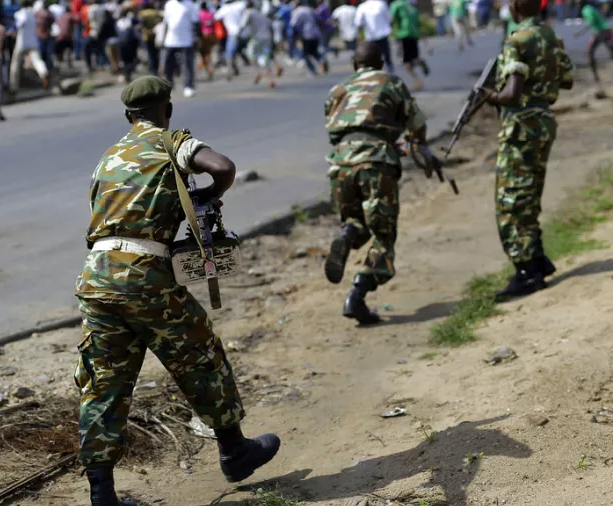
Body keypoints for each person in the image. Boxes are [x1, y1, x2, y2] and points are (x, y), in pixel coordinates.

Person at [75, 76, 281, 506]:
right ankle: (235, 451)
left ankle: (102, 494)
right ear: (167, 109)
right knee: (201, 355)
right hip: (143, 276)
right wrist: (207, 194)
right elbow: (223, 167)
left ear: (128, 116)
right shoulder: (172, 142)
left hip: (96, 277)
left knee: (103, 383)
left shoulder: (108, 156)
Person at [323, 42, 437, 324]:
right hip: (376, 163)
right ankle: (357, 295)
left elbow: (334, 131)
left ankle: (348, 232)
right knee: (383, 236)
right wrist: (416, 144)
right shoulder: (392, 83)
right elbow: (416, 124)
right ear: (382, 63)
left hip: (340, 163)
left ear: (354, 64)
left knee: (356, 221)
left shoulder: (339, 89)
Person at [479, 0, 573, 299]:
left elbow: (512, 93)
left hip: (520, 128)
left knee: (511, 201)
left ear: (514, 8)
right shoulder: (550, 36)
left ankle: (527, 272)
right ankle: (537, 259)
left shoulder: (516, 41)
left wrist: (490, 96)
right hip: (543, 122)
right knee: (529, 195)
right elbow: (567, 79)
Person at [11, 0, 51, 95]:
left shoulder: (19, 14)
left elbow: (19, 24)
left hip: (22, 43)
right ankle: (44, 73)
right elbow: (37, 23)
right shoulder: (33, 14)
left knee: (15, 64)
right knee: (37, 61)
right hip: (33, 42)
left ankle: (13, 86)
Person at [162, 0, 200, 97]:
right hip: (170, 40)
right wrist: (163, 38)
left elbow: (196, 23)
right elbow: (166, 23)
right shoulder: (169, 4)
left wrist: (197, 38)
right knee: (168, 63)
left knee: (187, 64)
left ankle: (188, 86)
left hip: (186, 40)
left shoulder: (190, 5)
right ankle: (169, 84)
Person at [390, 0, 430, 90]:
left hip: (403, 35)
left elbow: (391, 19)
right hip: (414, 34)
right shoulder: (412, 7)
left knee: (405, 63)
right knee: (413, 59)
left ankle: (417, 80)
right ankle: (420, 62)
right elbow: (418, 24)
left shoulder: (396, 5)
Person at [243, 0, 282, 86]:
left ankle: (259, 72)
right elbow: (270, 25)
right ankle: (270, 79)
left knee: (251, 56)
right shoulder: (262, 14)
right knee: (265, 59)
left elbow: (243, 25)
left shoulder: (249, 13)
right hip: (267, 39)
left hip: (255, 40)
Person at [575, 0, 613, 86]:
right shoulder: (590, 8)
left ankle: (595, 77)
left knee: (590, 53)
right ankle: (596, 77)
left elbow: (591, 21)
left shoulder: (586, 10)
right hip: (605, 31)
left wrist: (580, 32)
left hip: (601, 32)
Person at [354, 0, 394, 73]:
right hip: (382, 35)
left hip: (371, 37)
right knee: (386, 56)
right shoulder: (381, 4)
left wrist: (359, 36)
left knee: (372, 58)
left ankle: (374, 73)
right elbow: (389, 19)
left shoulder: (362, 7)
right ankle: (389, 72)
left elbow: (358, 23)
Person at [291, 0, 328, 75]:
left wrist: (295, 37)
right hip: (316, 33)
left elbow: (294, 24)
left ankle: (312, 70)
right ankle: (322, 60)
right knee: (314, 52)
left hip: (306, 34)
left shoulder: (297, 12)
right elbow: (319, 20)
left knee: (305, 54)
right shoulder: (310, 9)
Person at [216, 0, 248, 77]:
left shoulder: (225, 8)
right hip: (243, 33)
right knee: (237, 51)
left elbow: (215, 17)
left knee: (229, 54)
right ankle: (236, 69)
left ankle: (230, 71)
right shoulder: (240, 5)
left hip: (233, 34)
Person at [139, 1, 164, 75]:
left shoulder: (142, 13)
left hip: (147, 36)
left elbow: (141, 24)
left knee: (150, 54)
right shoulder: (155, 12)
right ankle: (156, 69)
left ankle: (153, 70)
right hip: (155, 36)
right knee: (156, 54)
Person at [35, 1, 57, 75]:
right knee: (46, 54)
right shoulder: (48, 14)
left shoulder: (39, 14)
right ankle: (47, 70)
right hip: (44, 36)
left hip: (43, 36)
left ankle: (46, 71)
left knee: (44, 54)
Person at [199, 2, 218, 80]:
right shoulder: (211, 14)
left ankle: (209, 71)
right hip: (213, 35)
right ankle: (210, 70)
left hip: (204, 36)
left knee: (205, 55)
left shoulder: (199, 14)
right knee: (209, 53)